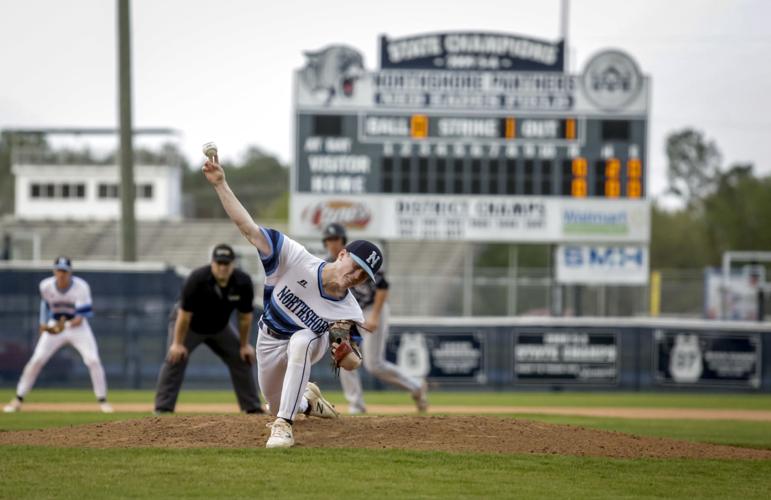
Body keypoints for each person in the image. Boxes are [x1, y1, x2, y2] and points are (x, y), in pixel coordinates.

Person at [202, 152, 383, 449]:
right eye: (356, 266)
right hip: (269, 339)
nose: (356, 276)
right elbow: (248, 228)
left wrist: (346, 354)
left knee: (303, 340)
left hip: (307, 344)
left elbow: (352, 363)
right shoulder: (294, 258)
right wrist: (220, 183)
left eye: (364, 276)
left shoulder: (349, 308)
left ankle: (283, 427)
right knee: (275, 403)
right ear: (341, 254)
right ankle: (306, 404)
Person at [322, 223, 428, 414]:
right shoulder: (329, 263)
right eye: (329, 240)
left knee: (374, 364)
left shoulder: (361, 258)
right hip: (349, 313)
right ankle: (356, 405)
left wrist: (376, 316)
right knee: (344, 355)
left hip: (372, 309)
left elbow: (383, 286)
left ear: (343, 241)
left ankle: (416, 386)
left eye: (335, 239)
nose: (332, 243)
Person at [154, 244, 264, 414]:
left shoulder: (242, 282)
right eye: (219, 263)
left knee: (242, 358)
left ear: (232, 265)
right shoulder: (197, 279)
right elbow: (184, 315)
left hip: (219, 327)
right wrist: (177, 343)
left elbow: (245, 317)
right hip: (190, 325)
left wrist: (244, 345)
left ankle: (252, 408)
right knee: (176, 357)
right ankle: (163, 409)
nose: (222, 267)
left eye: (226, 263)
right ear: (212, 263)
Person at [3, 257, 113, 413]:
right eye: (59, 270)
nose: (61, 274)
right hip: (54, 324)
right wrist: (43, 324)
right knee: (37, 360)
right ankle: (18, 399)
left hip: (77, 328)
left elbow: (80, 318)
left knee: (93, 360)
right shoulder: (46, 286)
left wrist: (64, 325)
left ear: (70, 273)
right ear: (54, 271)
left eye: (65, 271)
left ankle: (103, 401)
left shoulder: (81, 287)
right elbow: (45, 304)